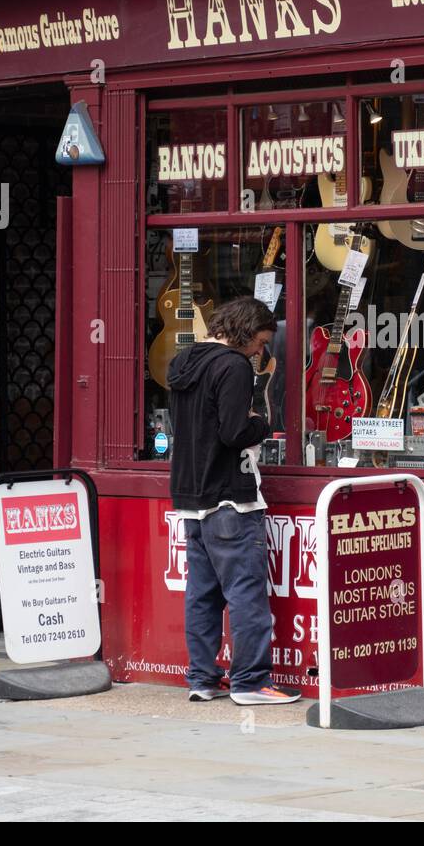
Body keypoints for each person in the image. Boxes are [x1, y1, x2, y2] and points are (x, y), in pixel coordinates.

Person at [168, 296, 301, 706]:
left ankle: (203, 678)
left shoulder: (183, 361)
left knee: (202, 593)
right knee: (246, 592)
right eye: (260, 342)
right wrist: (262, 422)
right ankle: (250, 682)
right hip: (230, 496)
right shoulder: (233, 365)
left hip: (190, 494)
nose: (261, 352)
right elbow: (232, 432)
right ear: (245, 332)